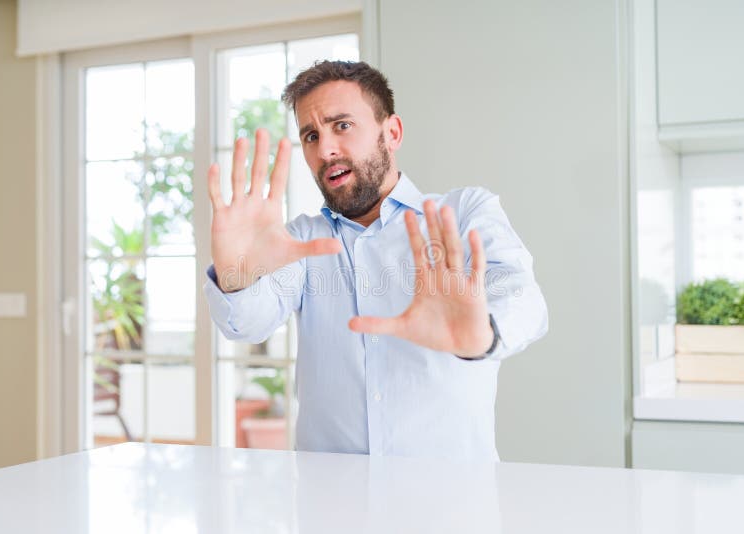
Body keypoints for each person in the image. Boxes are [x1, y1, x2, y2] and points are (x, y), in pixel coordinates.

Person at [204, 61, 548, 462]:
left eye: (342, 126)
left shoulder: (464, 211)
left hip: (451, 503)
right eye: (311, 136)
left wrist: (481, 336)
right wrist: (237, 273)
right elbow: (247, 324)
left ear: (392, 133)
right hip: (330, 505)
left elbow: (525, 299)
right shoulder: (299, 240)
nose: (325, 150)